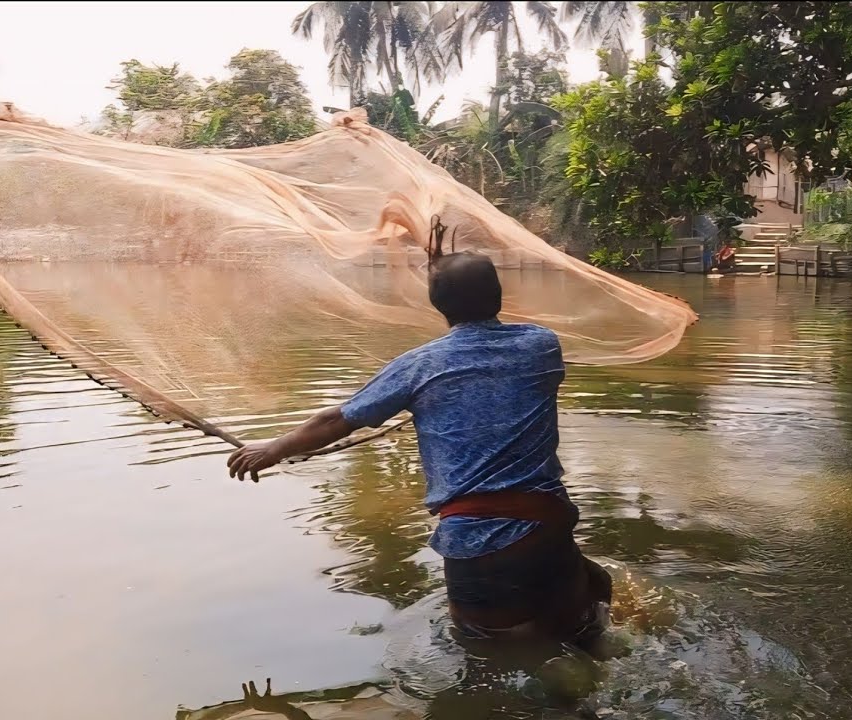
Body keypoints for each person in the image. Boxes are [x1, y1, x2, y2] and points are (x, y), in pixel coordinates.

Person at [226, 251, 612, 648]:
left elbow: (335, 421)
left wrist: (273, 449)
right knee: (586, 616)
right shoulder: (541, 346)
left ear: (437, 304)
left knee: (486, 654)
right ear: (498, 295)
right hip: (547, 530)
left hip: (476, 547)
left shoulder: (418, 367)